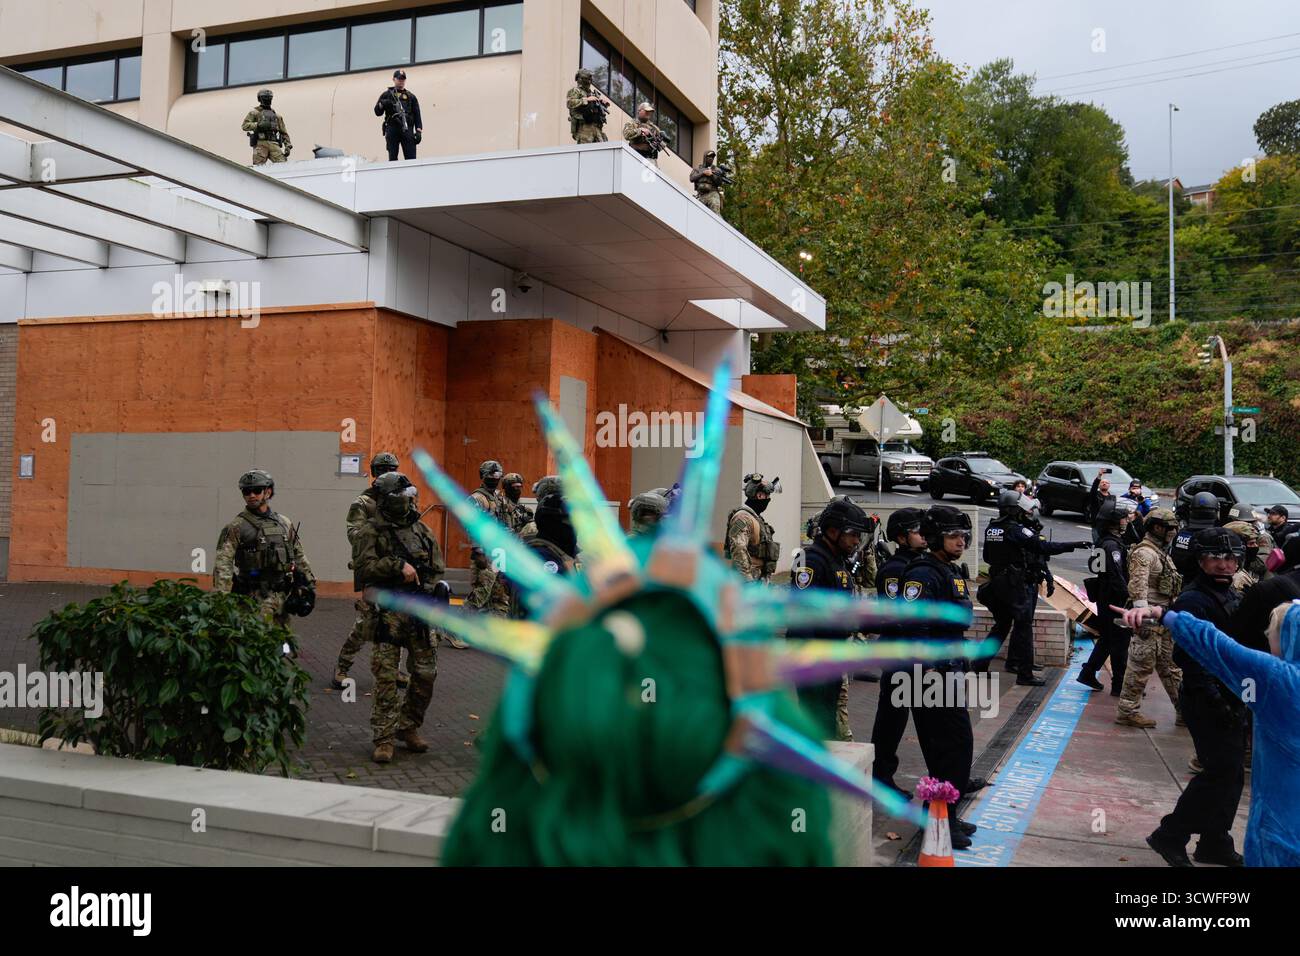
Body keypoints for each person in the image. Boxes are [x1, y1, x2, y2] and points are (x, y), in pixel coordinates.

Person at [1124, 528, 1248, 866]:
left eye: (1230, 558)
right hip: (1206, 696)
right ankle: (1170, 834)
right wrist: (1215, 697)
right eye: (1215, 558)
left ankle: (1214, 840)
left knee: (1232, 773)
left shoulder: (1230, 592)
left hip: (1232, 694)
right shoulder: (1195, 599)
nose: (1223, 564)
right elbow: (1189, 657)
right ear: (1200, 560)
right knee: (1218, 772)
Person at [901, 505, 981, 850]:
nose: (961, 541)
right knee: (946, 747)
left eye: (963, 535)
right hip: (931, 675)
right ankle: (938, 821)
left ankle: (946, 813)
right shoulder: (922, 574)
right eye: (953, 536)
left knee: (955, 747)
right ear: (936, 537)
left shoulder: (947, 570)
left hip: (948, 670)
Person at [353, 472, 443, 764]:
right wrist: (397, 565)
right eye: (398, 496)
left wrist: (431, 592)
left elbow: (436, 568)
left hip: (418, 612)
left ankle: (408, 726)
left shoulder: (421, 530)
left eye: (408, 495)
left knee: (426, 673)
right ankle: (384, 738)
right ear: (387, 500)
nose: (405, 500)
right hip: (387, 614)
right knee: (387, 678)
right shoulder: (370, 532)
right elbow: (364, 569)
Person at [980, 490, 1090, 686]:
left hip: (997, 582)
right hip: (1014, 584)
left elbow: (987, 557)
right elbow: (1043, 547)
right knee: (1023, 628)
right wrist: (1073, 545)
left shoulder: (992, 528)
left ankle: (979, 665)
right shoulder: (1016, 529)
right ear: (1014, 510)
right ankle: (1025, 674)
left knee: (1002, 625)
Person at [790, 498, 869, 742]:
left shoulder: (836, 559)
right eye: (853, 534)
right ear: (833, 531)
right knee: (816, 721)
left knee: (826, 720)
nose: (857, 541)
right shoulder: (811, 559)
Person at [334, 452, 410, 688]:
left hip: (398, 570)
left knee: (395, 622)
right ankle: (342, 667)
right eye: (382, 470)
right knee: (366, 622)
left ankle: (394, 670)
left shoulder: (402, 500)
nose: (387, 474)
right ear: (375, 474)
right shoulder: (364, 503)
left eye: (392, 469)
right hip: (374, 569)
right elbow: (355, 536)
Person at [870, 507, 927, 799]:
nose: (924, 535)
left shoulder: (920, 563)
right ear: (902, 537)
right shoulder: (895, 569)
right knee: (891, 720)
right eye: (918, 531)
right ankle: (881, 777)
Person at [213, 469, 314, 629]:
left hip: (282, 598)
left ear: (267, 492)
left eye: (257, 490)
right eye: (246, 491)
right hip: (252, 600)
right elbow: (222, 565)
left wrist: (308, 586)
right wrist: (222, 601)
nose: (251, 495)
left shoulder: (284, 523)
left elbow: (299, 555)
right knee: (258, 644)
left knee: (283, 644)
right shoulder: (236, 527)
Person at [1115, 507, 1183, 728]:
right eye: (1170, 528)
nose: (1173, 532)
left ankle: (1184, 710)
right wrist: (1143, 619)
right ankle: (1127, 711)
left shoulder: (1160, 552)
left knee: (1171, 668)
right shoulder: (1145, 553)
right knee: (1140, 667)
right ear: (1157, 527)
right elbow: (1138, 587)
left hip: (1163, 619)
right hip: (1149, 621)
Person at [1077, 497, 1138, 694]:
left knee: (1108, 639)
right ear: (1113, 522)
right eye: (1123, 518)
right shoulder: (1112, 546)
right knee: (1120, 641)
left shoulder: (1103, 542)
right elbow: (1115, 576)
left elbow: (1097, 568)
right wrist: (1130, 598)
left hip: (1105, 597)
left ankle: (1088, 672)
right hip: (1114, 600)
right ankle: (1120, 685)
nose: (1126, 521)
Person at [465, 460, 510, 621]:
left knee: (500, 595)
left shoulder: (498, 498)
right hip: (485, 552)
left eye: (497, 476)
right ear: (482, 477)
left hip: (499, 553)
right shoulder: (476, 498)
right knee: (480, 594)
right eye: (490, 476)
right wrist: (477, 550)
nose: (494, 479)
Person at [725, 474, 780, 583]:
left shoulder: (755, 517)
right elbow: (738, 549)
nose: (768, 499)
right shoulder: (742, 518)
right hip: (748, 581)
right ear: (759, 496)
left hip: (758, 579)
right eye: (767, 496)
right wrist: (748, 581)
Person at [374, 69, 423, 161]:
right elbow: (377, 112)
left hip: (407, 128)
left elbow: (417, 114)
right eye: (399, 78)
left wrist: (419, 130)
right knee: (393, 157)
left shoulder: (410, 96)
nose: (401, 81)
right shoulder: (387, 94)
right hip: (392, 128)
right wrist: (382, 104)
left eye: (403, 79)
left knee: (411, 158)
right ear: (393, 79)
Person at [1172, 491, 1221, 579]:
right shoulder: (1215, 537)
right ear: (1215, 512)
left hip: (1181, 584)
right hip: (1203, 586)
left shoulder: (1180, 534)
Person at [241, 89, 291, 165]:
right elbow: (245, 126)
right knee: (258, 168)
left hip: (273, 143)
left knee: (283, 165)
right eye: (264, 97)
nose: (267, 99)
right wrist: (258, 125)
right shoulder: (255, 113)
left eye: (269, 97)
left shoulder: (277, 116)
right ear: (259, 99)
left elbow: (284, 132)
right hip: (260, 143)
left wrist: (288, 145)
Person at [566, 68, 609, 144]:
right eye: (586, 79)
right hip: (584, 127)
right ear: (580, 79)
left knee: (602, 150)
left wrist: (602, 103)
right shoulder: (576, 91)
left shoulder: (592, 93)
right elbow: (570, 103)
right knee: (586, 152)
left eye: (589, 79)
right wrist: (587, 100)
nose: (589, 81)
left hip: (597, 127)